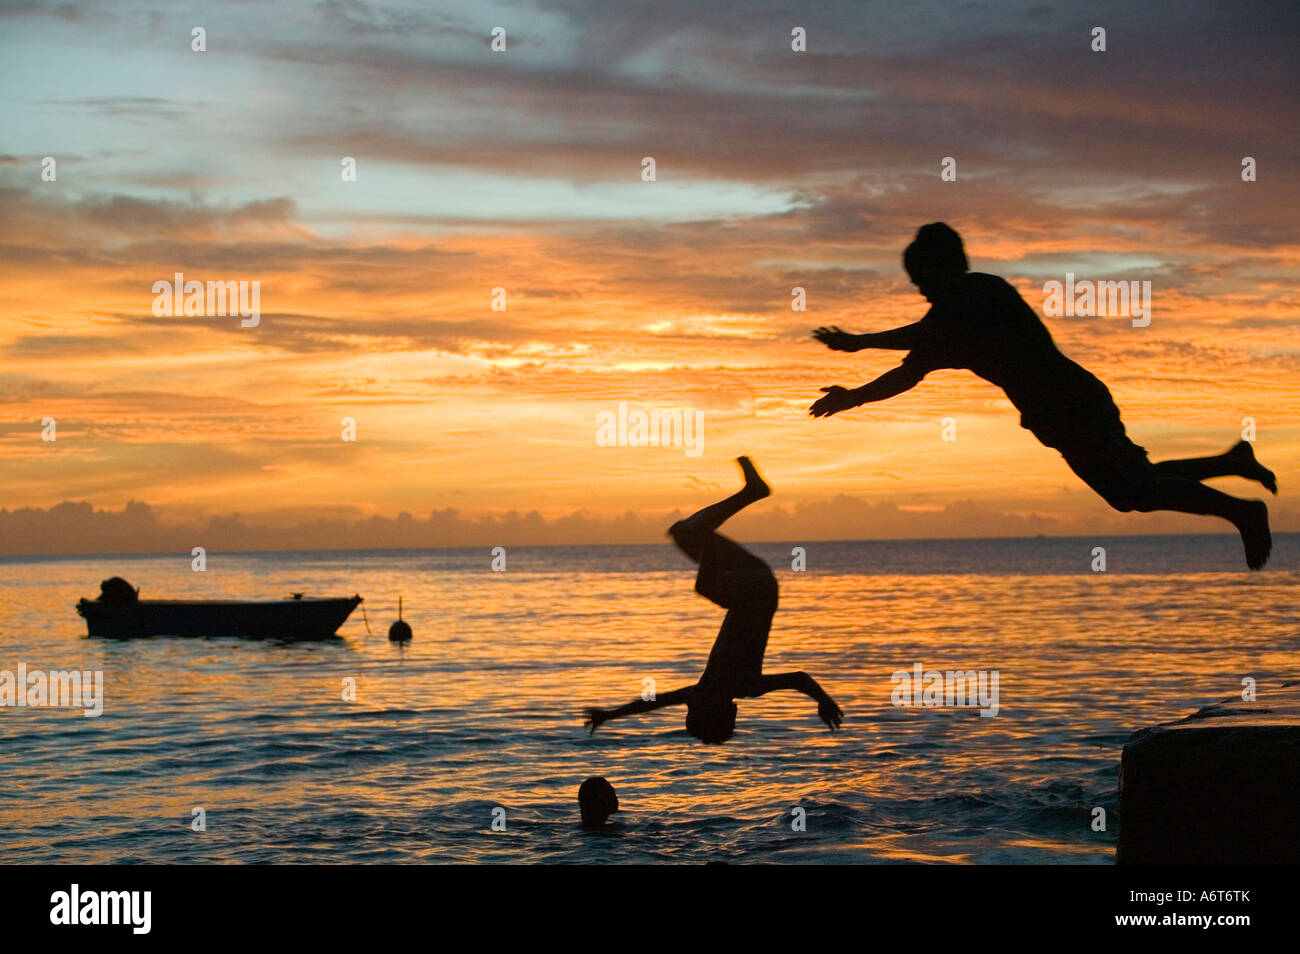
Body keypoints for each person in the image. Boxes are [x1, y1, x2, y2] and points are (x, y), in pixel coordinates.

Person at [810, 222, 1277, 569]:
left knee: (1133, 490)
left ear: (947, 267)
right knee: (1134, 485)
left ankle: (1242, 511)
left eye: (922, 279)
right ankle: (1231, 463)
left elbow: (919, 338)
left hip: (1071, 405)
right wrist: (852, 397)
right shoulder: (949, 320)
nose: (920, 288)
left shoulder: (981, 293)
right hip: (1061, 411)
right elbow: (907, 374)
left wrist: (860, 342)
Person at [584, 457, 844, 743]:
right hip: (755, 587)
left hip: (748, 585)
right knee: (699, 567)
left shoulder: (702, 691)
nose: (736, 714)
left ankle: (751, 494)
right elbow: (798, 678)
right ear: (707, 709)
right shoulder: (744, 685)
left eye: (730, 719)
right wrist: (823, 699)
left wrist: (609, 715)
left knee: (683, 534)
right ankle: (739, 505)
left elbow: (652, 702)